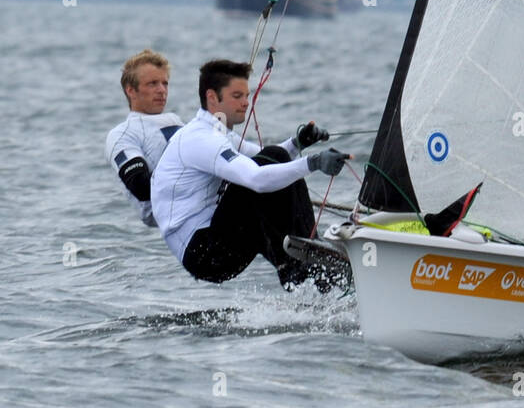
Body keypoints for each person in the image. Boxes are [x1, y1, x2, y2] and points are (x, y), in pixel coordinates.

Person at [150, 58, 348, 289]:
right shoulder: (200, 139)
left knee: (275, 160)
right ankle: (305, 262)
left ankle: (313, 273)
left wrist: (298, 143)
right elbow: (257, 178)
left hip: (214, 242)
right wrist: (313, 163)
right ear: (212, 97)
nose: (246, 102)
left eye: (247, 95)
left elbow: (267, 160)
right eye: (237, 96)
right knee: (269, 167)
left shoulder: (217, 130)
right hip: (203, 253)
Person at [105, 50, 184, 227]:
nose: (162, 90)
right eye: (152, 84)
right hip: (175, 217)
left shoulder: (176, 121)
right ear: (131, 91)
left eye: (165, 83)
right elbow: (140, 187)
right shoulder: (122, 134)